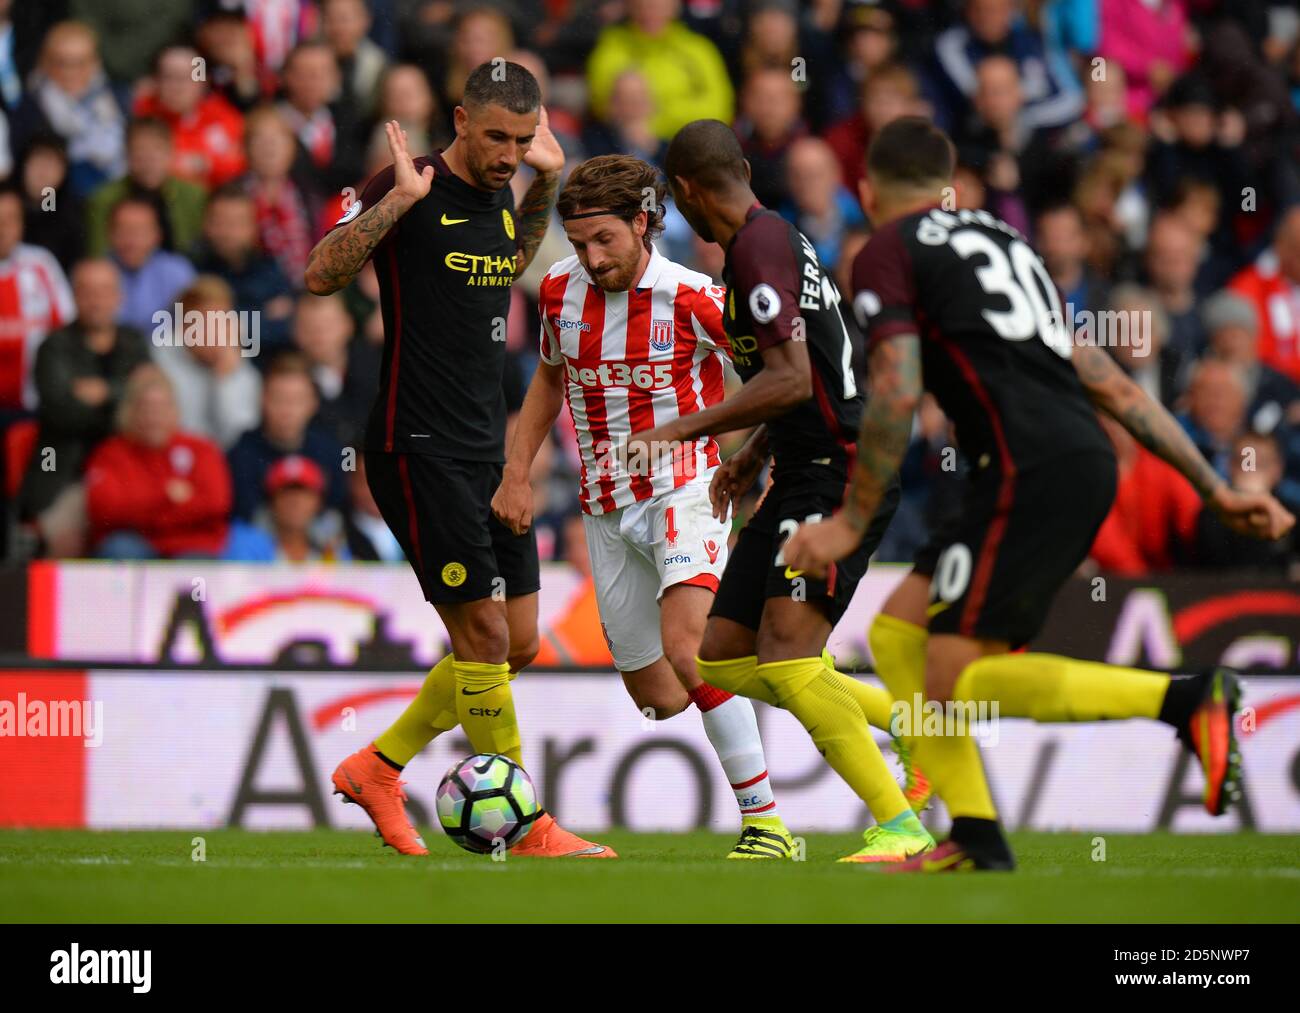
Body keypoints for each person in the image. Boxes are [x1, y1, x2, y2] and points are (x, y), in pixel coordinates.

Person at [782, 116, 1295, 872]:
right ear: (950, 187)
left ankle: (1188, 700)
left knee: (952, 674)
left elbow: (894, 388)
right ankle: (977, 834)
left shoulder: (887, 250)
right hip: (1064, 459)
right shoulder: (1006, 245)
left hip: (1028, 467)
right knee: (899, 637)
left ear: (866, 191)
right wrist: (1212, 484)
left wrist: (851, 519)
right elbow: (1105, 376)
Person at [306, 62, 611, 859]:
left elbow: (506, 265)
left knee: (517, 643)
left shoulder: (504, 190)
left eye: (523, 139)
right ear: (460, 121)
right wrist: (396, 204)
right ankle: (527, 822)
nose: (510, 153)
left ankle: (377, 766)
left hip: (486, 448)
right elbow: (319, 272)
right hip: (418, 446)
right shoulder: (407, 181)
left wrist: (544, 185)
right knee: (479, 633)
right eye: (498, 138)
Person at [628, 118, 933, 865]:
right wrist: (752, 457)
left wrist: (684, 429)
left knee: (792, 659)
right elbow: (817, 370)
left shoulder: (759, 249)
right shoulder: (773, 244)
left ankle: (902, 826)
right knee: (726, 656)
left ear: (692, 193)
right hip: (801, 467)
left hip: (838, 472)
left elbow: (793, 376)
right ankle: (907, 724)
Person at [492, 153, 794, 859]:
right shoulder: (559, 292)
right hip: (603, 503)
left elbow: (782, 379)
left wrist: (758, 462)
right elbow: (548, 377)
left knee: (690, 649)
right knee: (661, 696)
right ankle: (812, 680)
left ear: (643, 223)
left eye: (606, 240)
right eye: (579, 241)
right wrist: (517, 472)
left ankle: (766, 824)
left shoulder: (695, 297)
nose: (592, 258)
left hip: (683, 486)